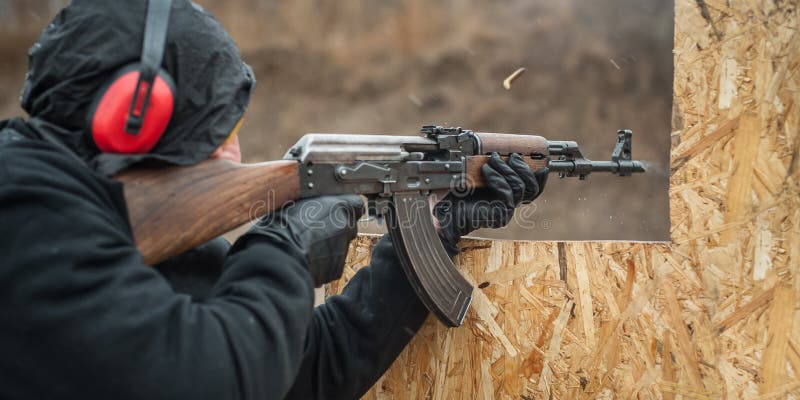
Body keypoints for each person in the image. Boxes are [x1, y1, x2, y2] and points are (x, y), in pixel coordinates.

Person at [0, 1, 547, 399]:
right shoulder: (21, 209)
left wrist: (435, 226)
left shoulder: (103, 234)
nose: (234, 155)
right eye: (219, 132)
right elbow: (213, 382)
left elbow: (303, 374)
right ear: (131, 119)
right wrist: (284, 247)